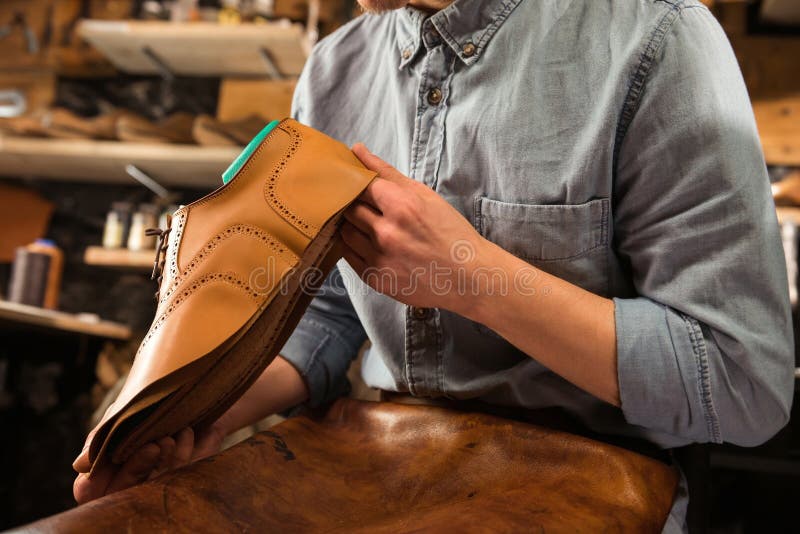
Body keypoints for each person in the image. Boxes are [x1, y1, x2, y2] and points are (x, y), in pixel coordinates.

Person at [73, 0, 795, 530]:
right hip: (368, 465)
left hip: (584, 483)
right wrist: (199, 411)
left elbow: (741, 383)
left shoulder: (657, 40)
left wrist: (468, 275)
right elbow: (328, 313)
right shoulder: (335, 68)